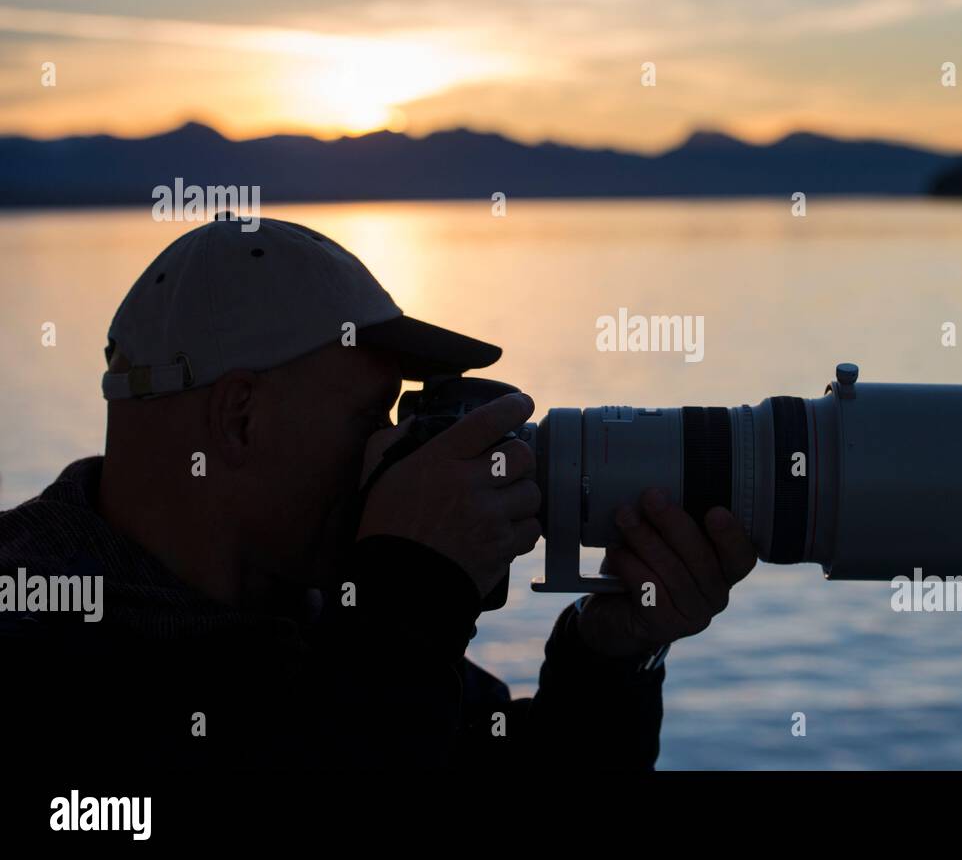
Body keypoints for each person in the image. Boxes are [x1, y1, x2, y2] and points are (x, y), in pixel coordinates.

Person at [0, 216, 756, 771]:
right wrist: (411, 591)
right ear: (239, 418)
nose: (395, 451)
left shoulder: (319, 614)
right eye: (374, 416)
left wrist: (609, 655)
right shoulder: (38, 640)